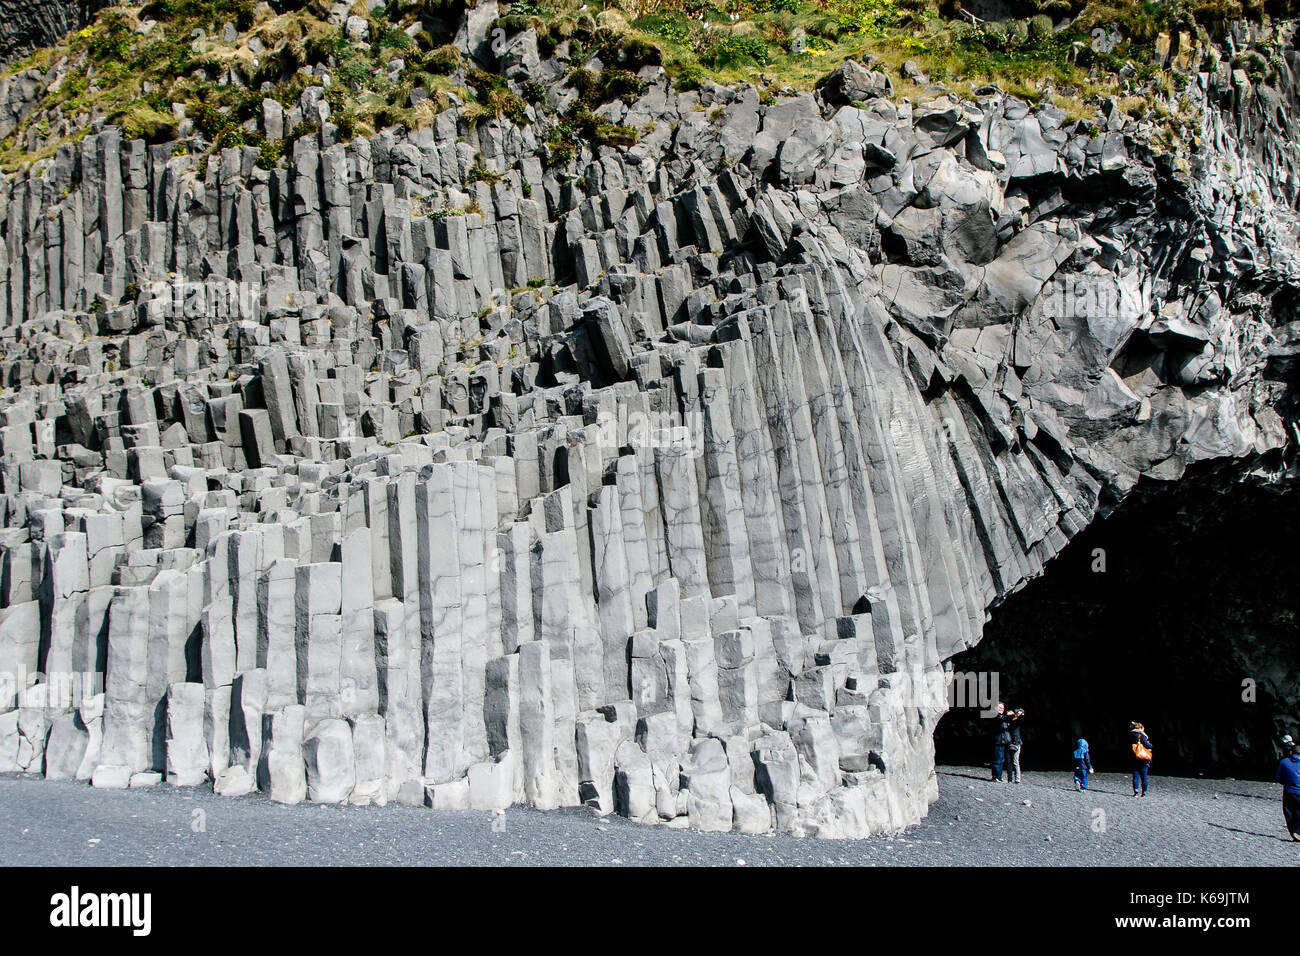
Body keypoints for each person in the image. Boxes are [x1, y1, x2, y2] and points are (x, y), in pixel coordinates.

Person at [1275, 743, 1300, 842]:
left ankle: (1294, 831)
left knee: (1289, 812)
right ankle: (1298, 832)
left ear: (1291, 752)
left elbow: (1278, 777)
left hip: (1288, 791)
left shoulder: (1284, 762)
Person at [990, 702, 1013, 781]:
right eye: (1000, 707)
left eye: (1002, 708)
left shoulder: (1003, 717)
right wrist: (1013, 716)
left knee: (1002, 760)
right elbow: (1002, 718)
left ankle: (999, 777)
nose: (1001, 709)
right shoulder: (995, 716)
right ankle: (995, 777)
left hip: (1003, 741)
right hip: (998, 741)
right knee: (997, 760)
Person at [1129, 721, 1153, 797]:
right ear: (1141, 728)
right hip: (1143, 758)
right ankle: (1144, 793)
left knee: (1135, 776)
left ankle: (1136, 792)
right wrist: (1150, 744)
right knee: (1144, 776)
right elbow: (1148, 746)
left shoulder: (1130, 736)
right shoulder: (1141, 736)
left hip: (1134, 758)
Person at [1007, 708, 1025, 783]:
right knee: (1009, 762)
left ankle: (1017, 779)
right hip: (1009, 743)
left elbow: (1020, 720)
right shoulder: (1008, 722)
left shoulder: (1016, 722)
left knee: (1015, 762)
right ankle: (1010, 779)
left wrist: (1021, 715)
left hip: (1016, 743)